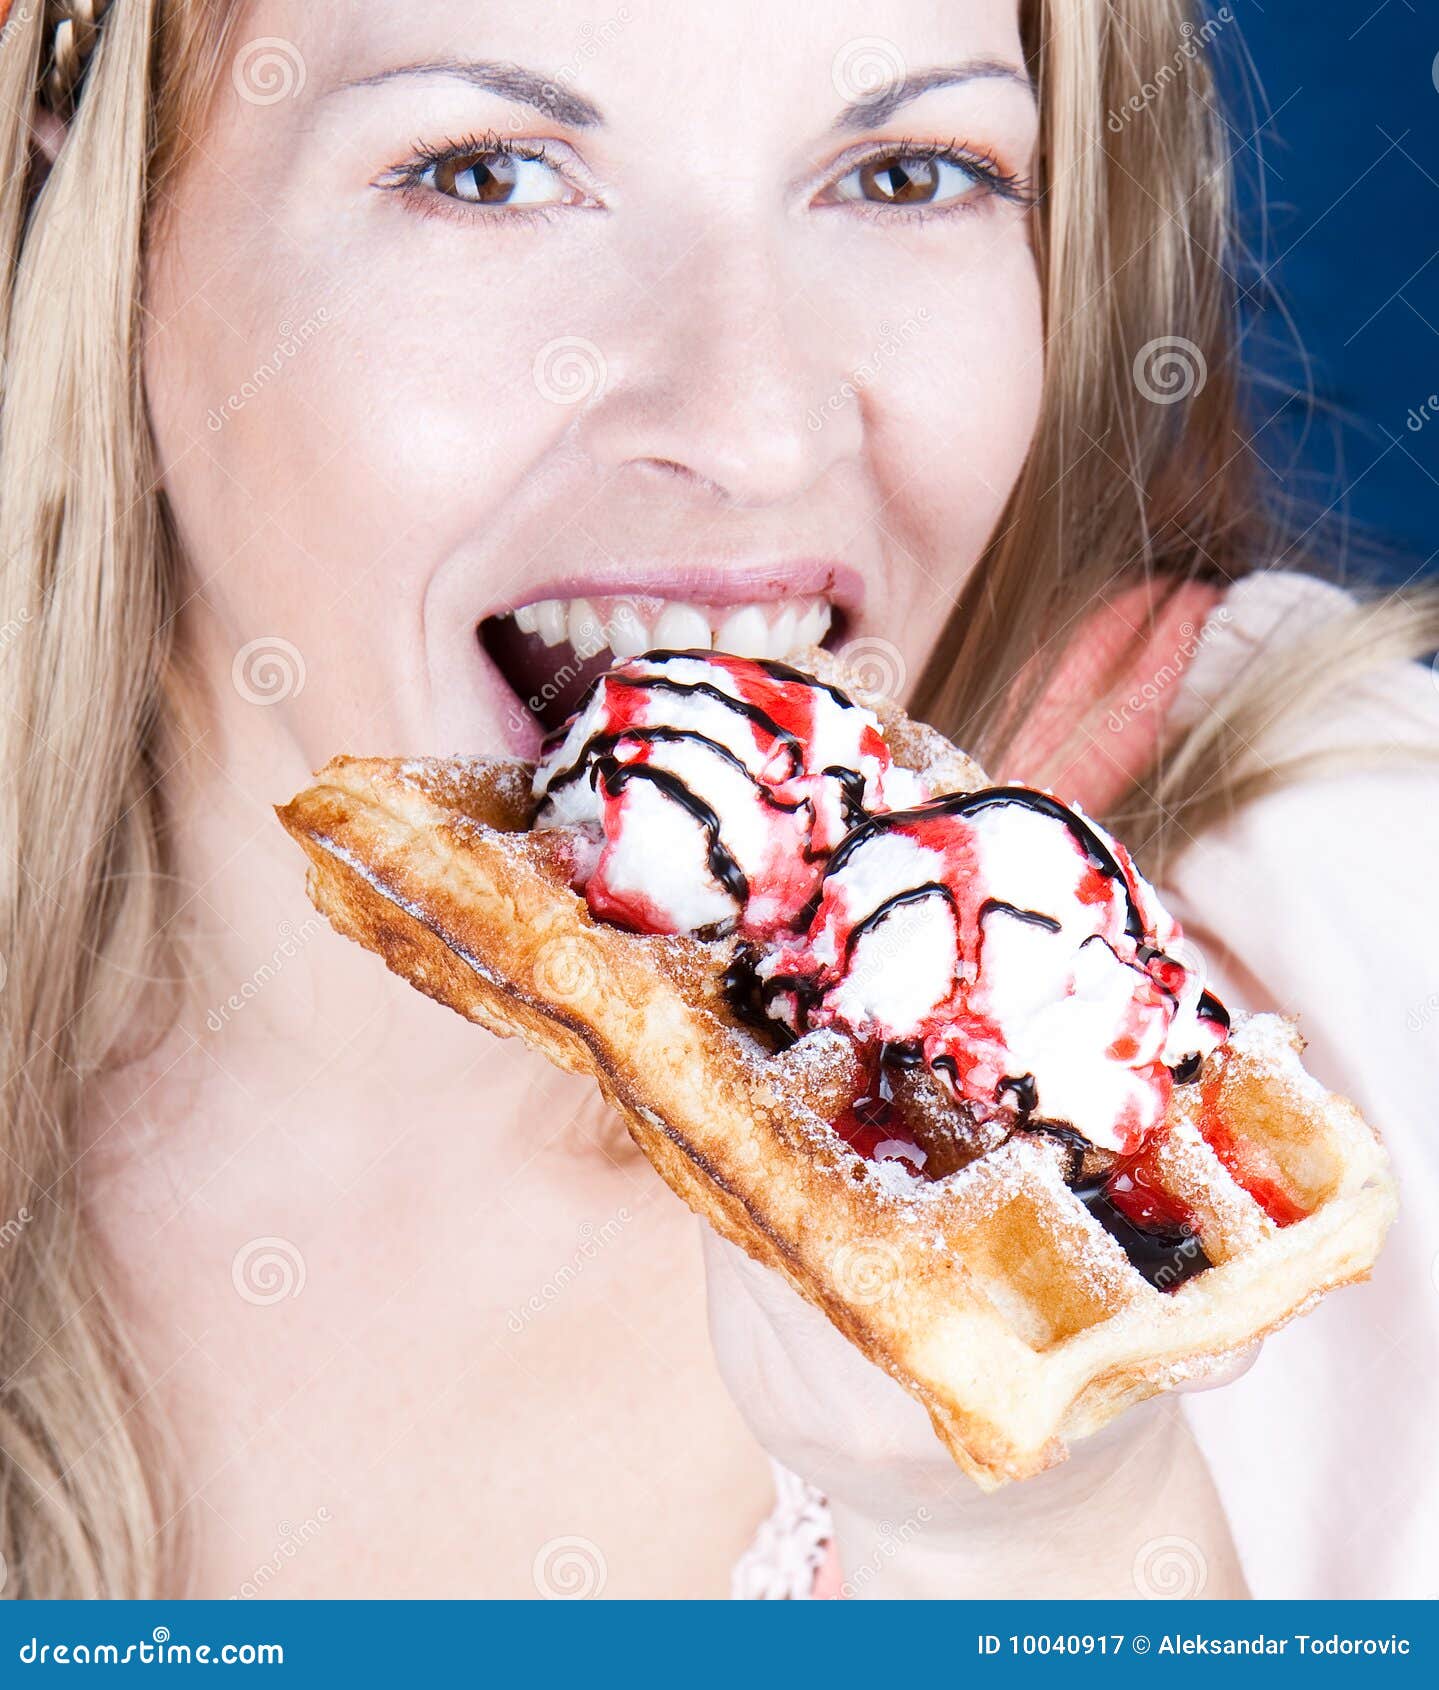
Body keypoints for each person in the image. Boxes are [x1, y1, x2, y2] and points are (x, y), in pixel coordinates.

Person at [0, 0, 1434, 1600]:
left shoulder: (1372, 934)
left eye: (907, 173)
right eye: (485, 171)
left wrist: (1048, 1536)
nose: (759, 432)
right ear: (91, 232)